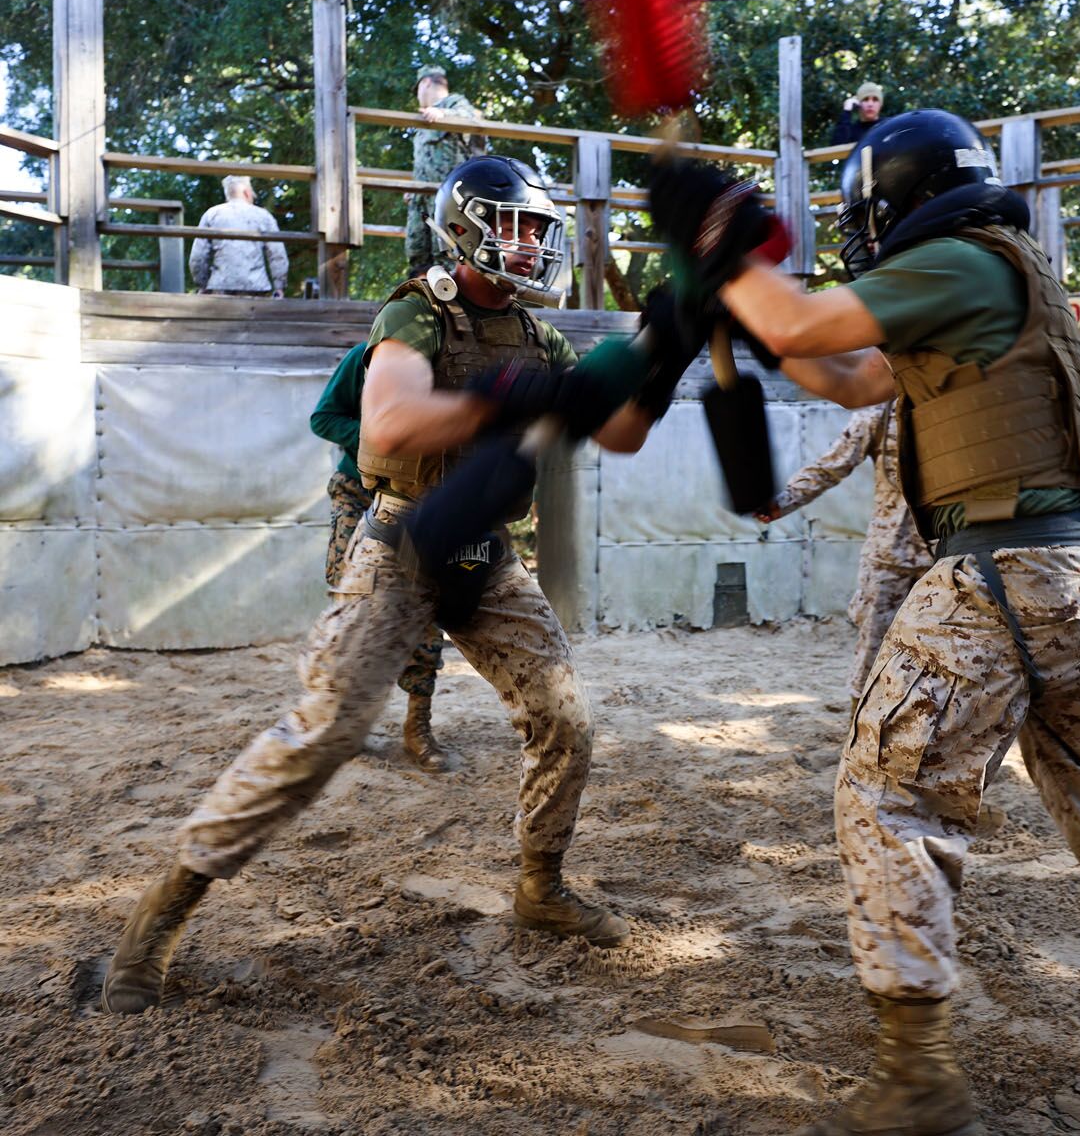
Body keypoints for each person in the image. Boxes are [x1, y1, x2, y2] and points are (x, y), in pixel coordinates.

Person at [650, 110, 1080, 1135]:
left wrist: (721, 251)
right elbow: (848, 370)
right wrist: (740, 310)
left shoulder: (961, 259)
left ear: (892, 205)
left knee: (885, 797)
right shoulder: (990, 272)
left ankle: (918, 1074)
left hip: (1011, 571)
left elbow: (811, 325)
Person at [102, 155, 680, 1016]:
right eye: (512, 225)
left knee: (565, 720)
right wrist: (508, 395)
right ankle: (158, 919)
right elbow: (389, 420)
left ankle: (539, 887)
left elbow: (622, 433)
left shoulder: (536, 333)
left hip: (487, 555)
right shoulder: (415, 309)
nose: (529, 245)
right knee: (318, 738)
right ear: (463, 225)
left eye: (537, 230)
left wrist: (659, 357)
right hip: (402, 543)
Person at [310, 338, 450, 772]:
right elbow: (324, 418)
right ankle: (341, 724)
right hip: (359, 491)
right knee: (352, 605)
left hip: (423, 502)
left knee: (425, 610)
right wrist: (377, 440)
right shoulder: (369, 356)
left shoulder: (459, 365)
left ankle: (417, 726)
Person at [755, 402, 932, 713]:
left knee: (942, 656)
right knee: (872, 654)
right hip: (889, 557)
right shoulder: (882, 413)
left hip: (949, 559)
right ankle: (860, 733)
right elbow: (830, 466)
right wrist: (781, 503)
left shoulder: (958, 405)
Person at [405, 65, 486, 272]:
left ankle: (451, 300)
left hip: (447, 196)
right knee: (417, 254)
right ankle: (421, 299)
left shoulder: (454, 103)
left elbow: (474, 118)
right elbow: (424, 160)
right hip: (421, 199)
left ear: (425, 83)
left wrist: (443, 113)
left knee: (447, 252)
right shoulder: (424, 122)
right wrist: (412, 186)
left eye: (417, 92)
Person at [189, 175, 287, 297]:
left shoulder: (211, 214)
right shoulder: (264, 216)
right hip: (256, 286)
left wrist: (202, 285)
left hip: (220, 286)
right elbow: (277, 254)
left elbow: (198, 257)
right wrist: (279, 287)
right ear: (247, 192)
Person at [830, 81, 887, 147]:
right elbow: (836, 150)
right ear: (858, 104)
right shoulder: (850, 131)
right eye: (865, 99)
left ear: (880, 105)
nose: (870, 104)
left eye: (875, 100)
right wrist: (847, 111)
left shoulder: (889, 126)